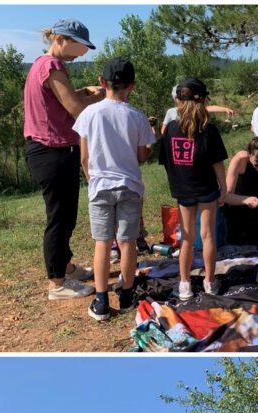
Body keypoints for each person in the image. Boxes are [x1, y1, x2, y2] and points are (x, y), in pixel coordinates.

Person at [22, 19, 103, 301]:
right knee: (60, 218)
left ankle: (66, 267)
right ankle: (57, 284)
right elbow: (77, 111)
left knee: (65, 214)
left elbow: (59, 101)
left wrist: (83, 92)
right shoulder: (52, 66)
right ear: (61, 39)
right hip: (52, 152)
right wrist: (101, 99)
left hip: (47, 150)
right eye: (80, 47)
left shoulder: (41, 65)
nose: (82, 53)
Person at [72, 57, 155, 321]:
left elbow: (84, 157)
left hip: (99, 187)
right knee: (127, 242)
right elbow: (141, 157)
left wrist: (91, 178)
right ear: (132, 85)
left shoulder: (89, 114)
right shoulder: (138, 116)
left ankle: (101, 301)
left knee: (102, 244)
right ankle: (128, 295)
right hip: (129, 185)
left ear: (101, 82)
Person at [157, 78, 229, 299]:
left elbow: (166, 161)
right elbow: (218, 164)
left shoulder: (169, 129)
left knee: (186, 237)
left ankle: (185, 284)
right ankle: (209, 281)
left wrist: (179, 183)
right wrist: (224, 189)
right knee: (207, 236)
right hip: (206, 188)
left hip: (183, 191)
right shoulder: (209, 130)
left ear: (179, 100)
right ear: (203, 101)